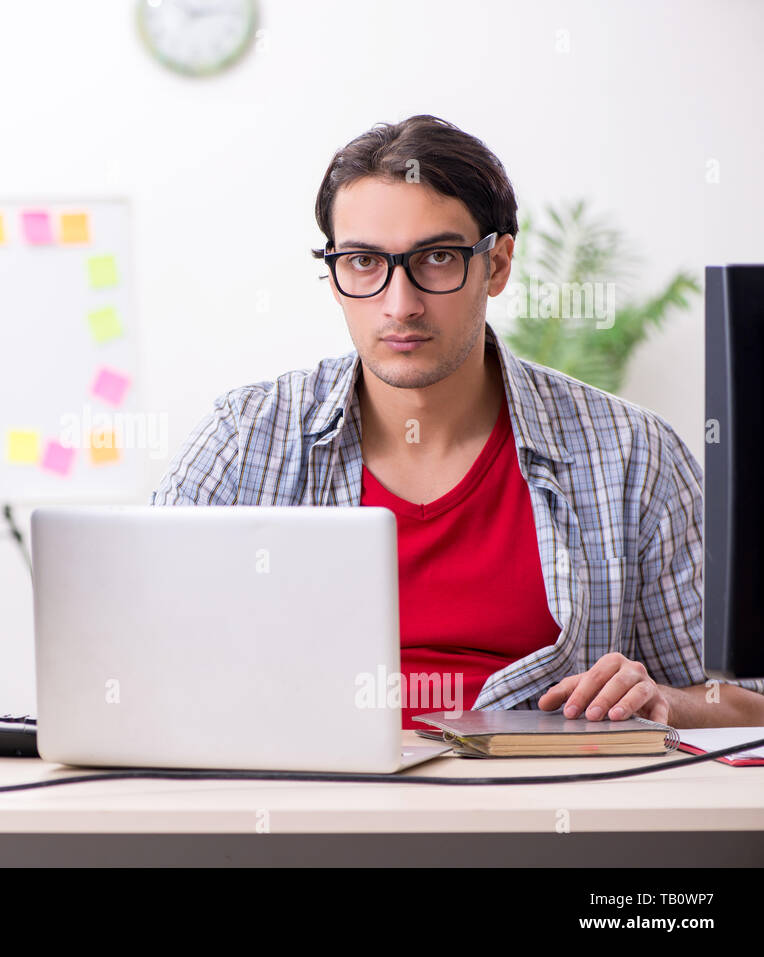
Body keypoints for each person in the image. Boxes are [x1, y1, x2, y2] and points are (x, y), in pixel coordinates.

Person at [150, 114, 764, 730]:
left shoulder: (633, 454)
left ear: (496, 265)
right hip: (303, 805)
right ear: (334, 276)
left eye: (437, 258)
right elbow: (140, 660)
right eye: (364, 262)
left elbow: (745, 702)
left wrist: (661, 701)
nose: (400, 304)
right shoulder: (243, 441)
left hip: (534, 810)